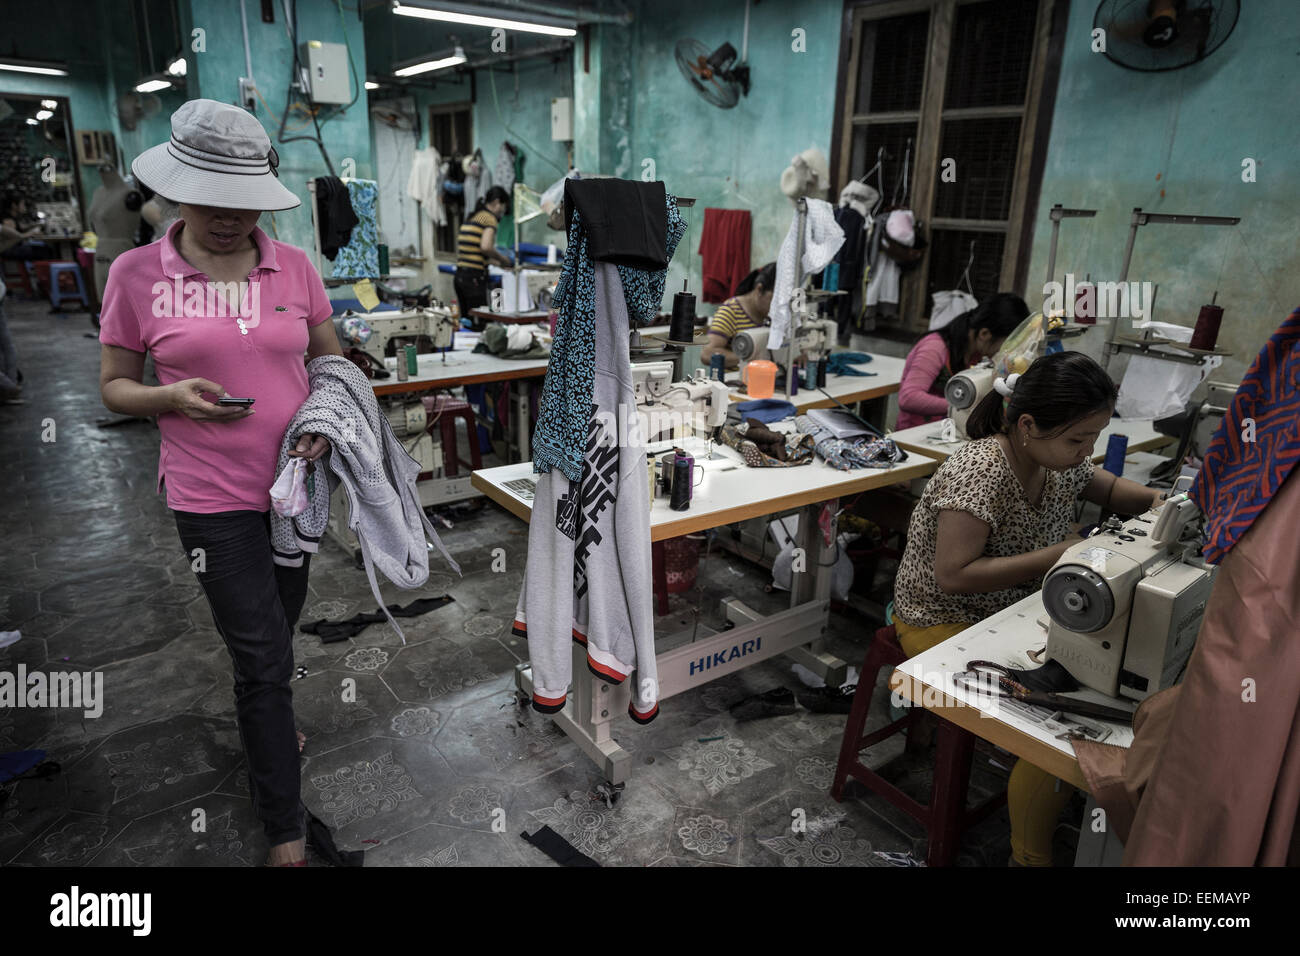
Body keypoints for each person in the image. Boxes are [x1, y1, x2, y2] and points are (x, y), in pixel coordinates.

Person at [97, 98, 342, 867]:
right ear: (175, 189)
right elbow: (113, 385)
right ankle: (286, 831)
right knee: (262, 660)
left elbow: (330, 363)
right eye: (210, 199)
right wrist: (168, 399)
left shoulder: (295, 266)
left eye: (243, 201)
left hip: (294, 492)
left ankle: (270, 720)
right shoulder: (137, 274)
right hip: (211, 501)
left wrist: (328, 415)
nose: (229, 217)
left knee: (278, 627)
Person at [891, 351, 1164, 866]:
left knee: (1091, 693)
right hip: (942, 621)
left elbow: (1107, 487)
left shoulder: (1059, 462)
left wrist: (1160, 504)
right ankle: (1029, 858)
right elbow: (954, 575)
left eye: (1094, 439)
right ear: (1026, 424)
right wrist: (1065, 553)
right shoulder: (981, 472)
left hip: (1012, 610)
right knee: (1057, 734)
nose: (1087, 453)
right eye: (1077, 440)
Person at [895, 292, 1029, 430]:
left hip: (947, 429)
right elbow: (908, 398)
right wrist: (964, 405)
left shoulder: (976, 354)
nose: (1005, 350)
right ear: (985, 334)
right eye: (1005, 343)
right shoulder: (934, 348)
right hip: (915, 433)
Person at [701, 262, 776, 369]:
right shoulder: (730, 311)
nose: (779, 306)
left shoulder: (772, 315)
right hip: (734, 382)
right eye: (775, 299)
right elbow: (707, 354)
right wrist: (752, 359)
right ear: (759, 290)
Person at [454, 184, 512, 321]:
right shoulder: (489, 219)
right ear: (498, 203)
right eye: (503, 208)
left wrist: (497, 263)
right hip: (473, 279)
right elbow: (485, 247)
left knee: (467, 322)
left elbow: (475, 252)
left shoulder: (474, 217)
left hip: (460, 277)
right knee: (481, 322)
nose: (502, 212)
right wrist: (504, 259)